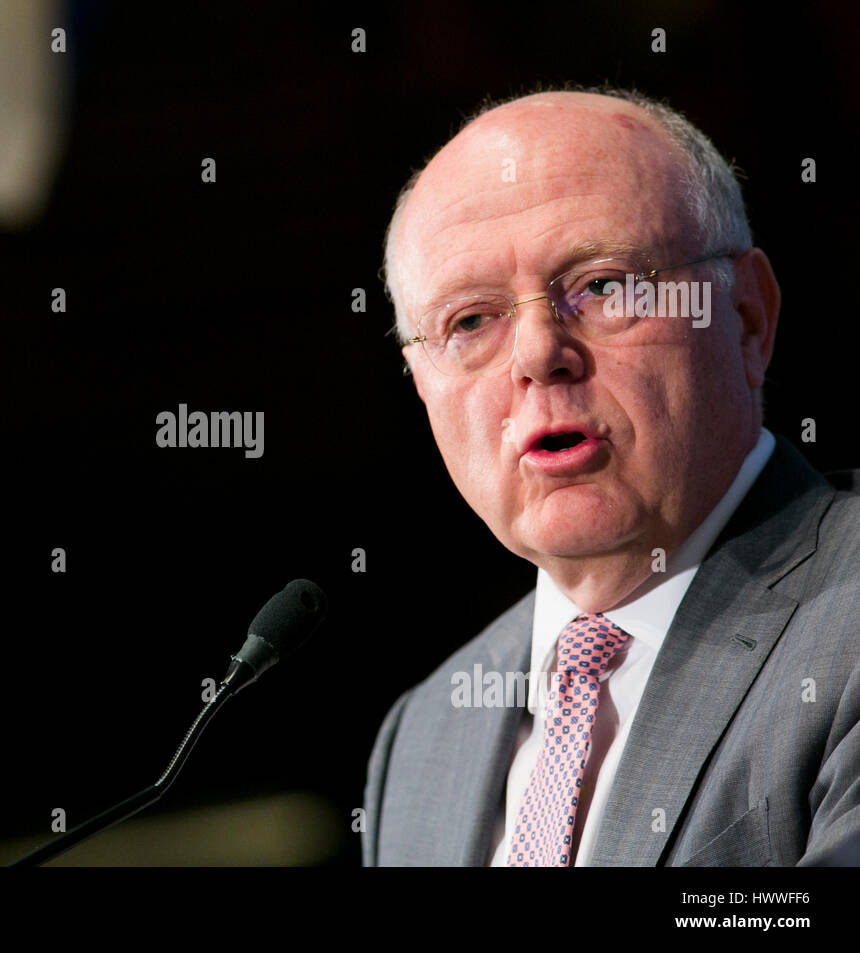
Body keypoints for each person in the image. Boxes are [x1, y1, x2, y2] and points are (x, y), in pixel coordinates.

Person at [363, 86, 858, 866]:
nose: (536, 355)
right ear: (421, 382)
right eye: (470, 321)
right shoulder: (422, 741)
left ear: (748, 317)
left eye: (601, 285)